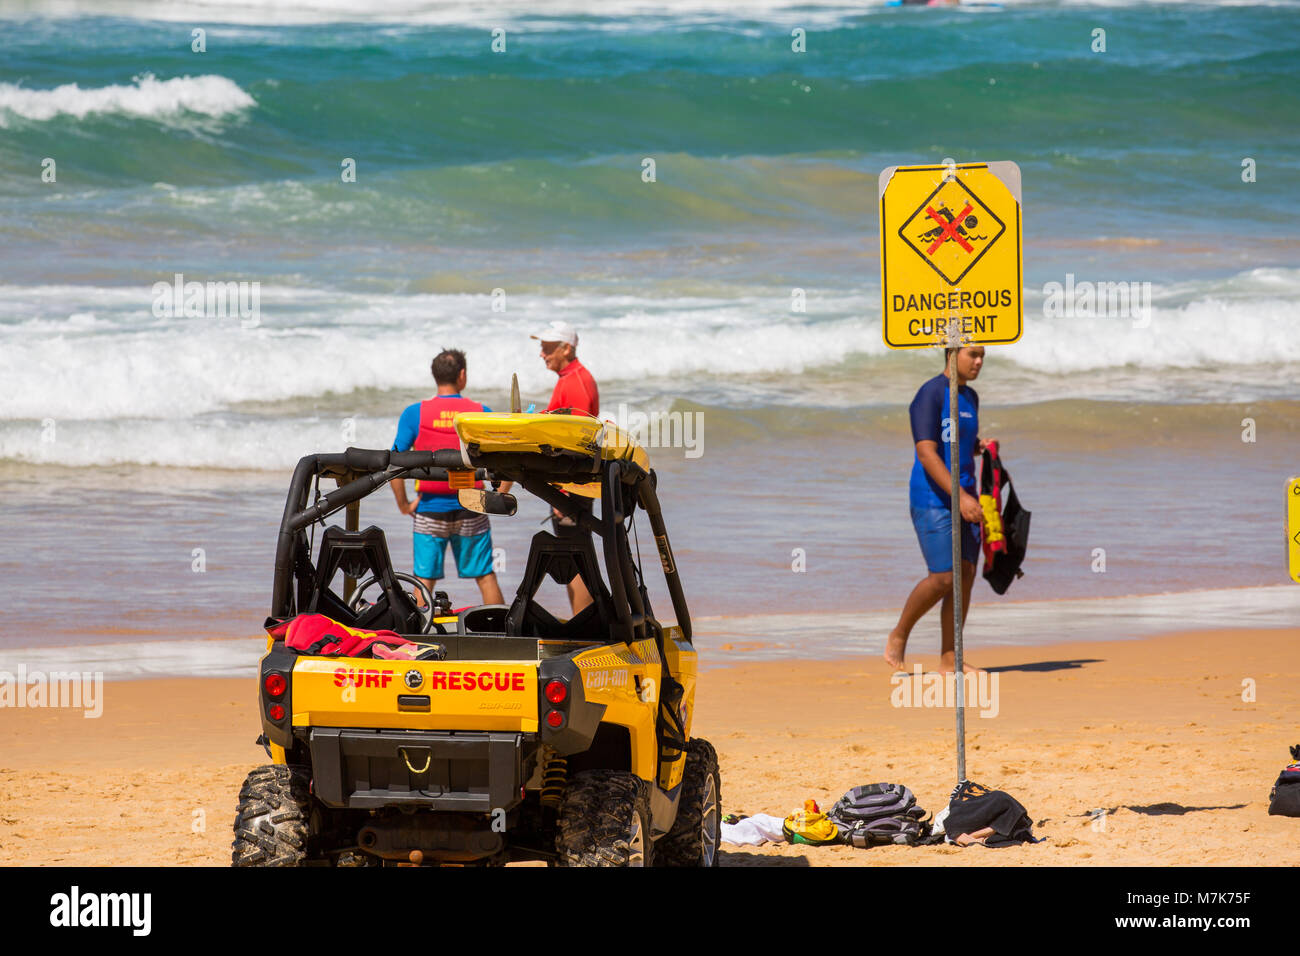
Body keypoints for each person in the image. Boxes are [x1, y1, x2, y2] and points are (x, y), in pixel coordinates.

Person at [885, 346, 996, 674]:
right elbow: (927, 452)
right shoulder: (929, 394)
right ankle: (900, 633)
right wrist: (959, 498)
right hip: (933, 497)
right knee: (944, 577)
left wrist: (980, 448)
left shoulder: (971, 397)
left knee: (965, 576)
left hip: (966, 493)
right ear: (952, 353)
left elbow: (956, 441)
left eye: (982, 357)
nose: (978, 362)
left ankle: (950, 659)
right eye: (972, 355)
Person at [390, 349, 510, 607]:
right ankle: (500, 632)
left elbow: (393, 465)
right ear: (462, 376)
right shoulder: (480, 412)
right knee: (486, 577)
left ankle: (417, 635)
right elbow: (508, 459)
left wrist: (403, 504)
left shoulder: (414, 413)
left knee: (423, 581)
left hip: (430, 509)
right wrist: (498, 497)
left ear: (435, 376)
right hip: (472, 508)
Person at [530, 320, 599, 614]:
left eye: (547, 349)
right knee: (575, 559)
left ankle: (587, 628)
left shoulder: (576, 382)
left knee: (578, 561)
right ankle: (584, 625)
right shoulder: (568, 378)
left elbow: (577, 442)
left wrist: (563, 493)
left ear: (566, 348)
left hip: (572, 486)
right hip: (568, 484)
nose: (542, 354)